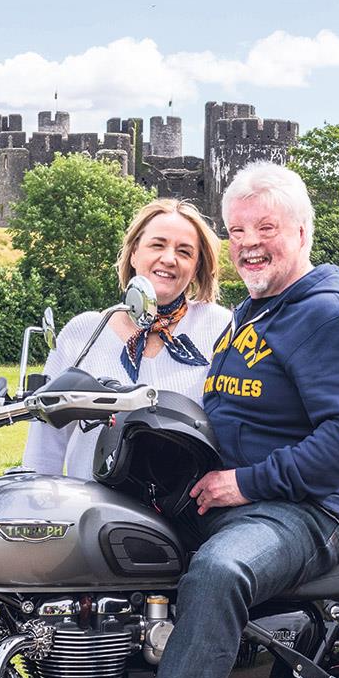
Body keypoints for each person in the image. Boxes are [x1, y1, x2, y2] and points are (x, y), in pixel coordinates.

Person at [81, 162, 339, 678]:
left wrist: (247, 482)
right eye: (239, 230)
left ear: (302, 232)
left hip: (306, 513)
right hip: (237, 500)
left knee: (218, 572)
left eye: (266, 229)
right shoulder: (257, 313)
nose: (250, 243)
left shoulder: (328, 315)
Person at [21, 199, 229, 479]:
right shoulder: (83, 332)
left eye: (185, 251)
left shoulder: (220, 326)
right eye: (157, 245)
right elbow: (45, 440)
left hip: (188, 514)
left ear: (196, 267)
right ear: (133, 254)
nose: (169, 258)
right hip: (92, 513)